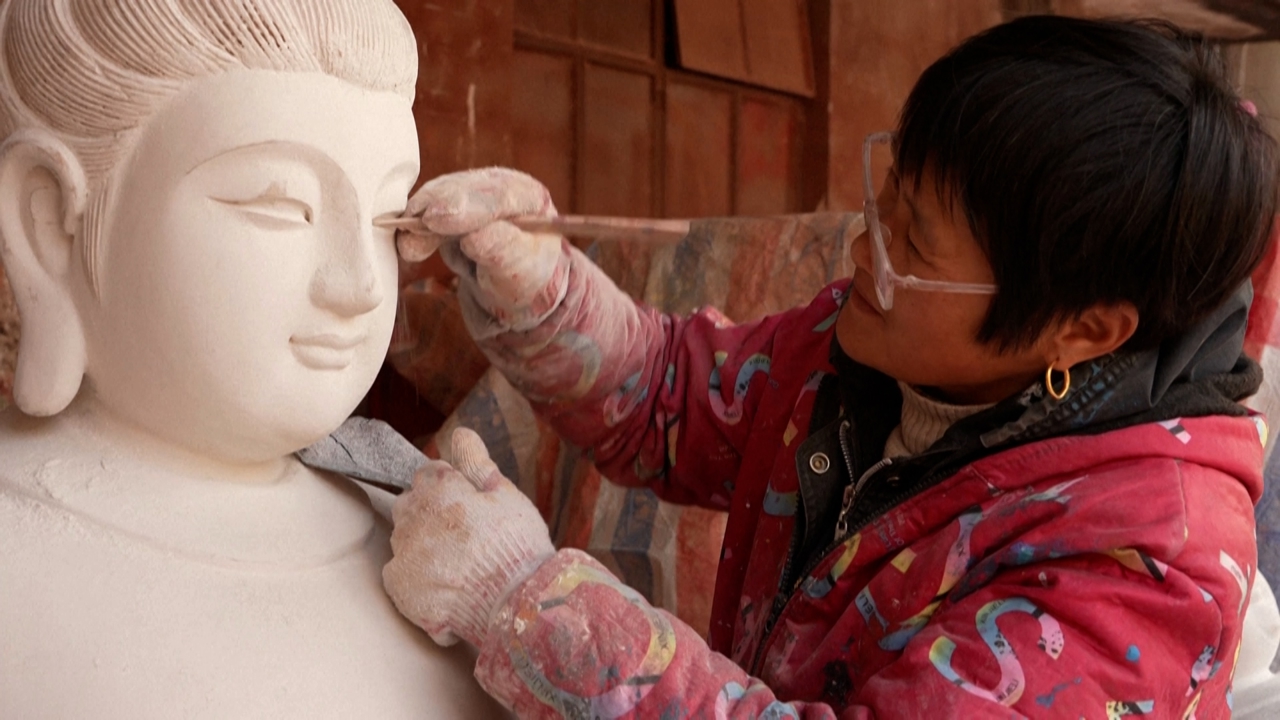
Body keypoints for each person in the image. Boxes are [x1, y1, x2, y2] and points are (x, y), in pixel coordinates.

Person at [383, 16, 1277, 718]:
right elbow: (674, 400)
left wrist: (533, 610)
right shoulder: (873, 349)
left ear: (1081, 331)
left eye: (910, 240)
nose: (861, 245)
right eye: (883, 205)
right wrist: (542, 293)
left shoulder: (1139, 572)